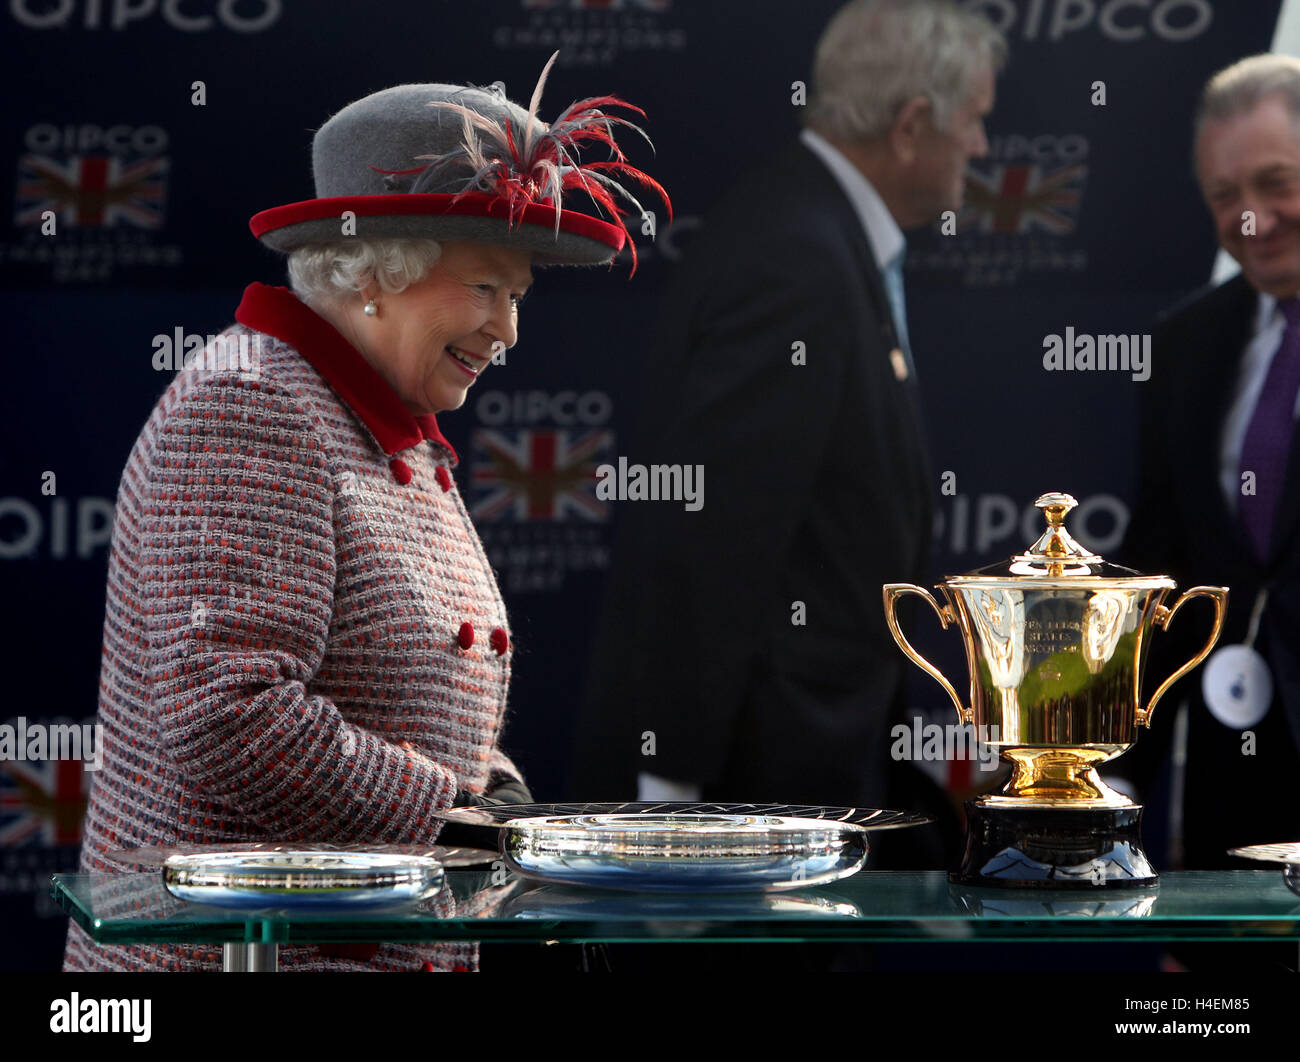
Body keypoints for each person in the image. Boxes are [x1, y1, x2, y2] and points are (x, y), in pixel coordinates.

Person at [64, 57, 667, 972]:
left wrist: (510, 815)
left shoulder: (376, 418)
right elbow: (230, 717)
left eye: (517, 297)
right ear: (376, 272)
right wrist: (462, 824)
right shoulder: (252, 402)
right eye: (485, 289)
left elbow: (409, 726)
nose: (507, 332)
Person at [574, 0, 1004, 830]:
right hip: (748, 803)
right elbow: (707, 526)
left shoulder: (820, 234)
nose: (983, 148)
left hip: (810, 782)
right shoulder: (796, 255)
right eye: (977, 121)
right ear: (913, 125)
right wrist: (669, 787)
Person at [1122, 53, 1300, 879]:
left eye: (1277, 184)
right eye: (1226, 197)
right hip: (1236, 803)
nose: (1253, 218)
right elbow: (1165, 579)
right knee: (1222, 1013)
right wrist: (1111, 779)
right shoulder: (1185, 345)